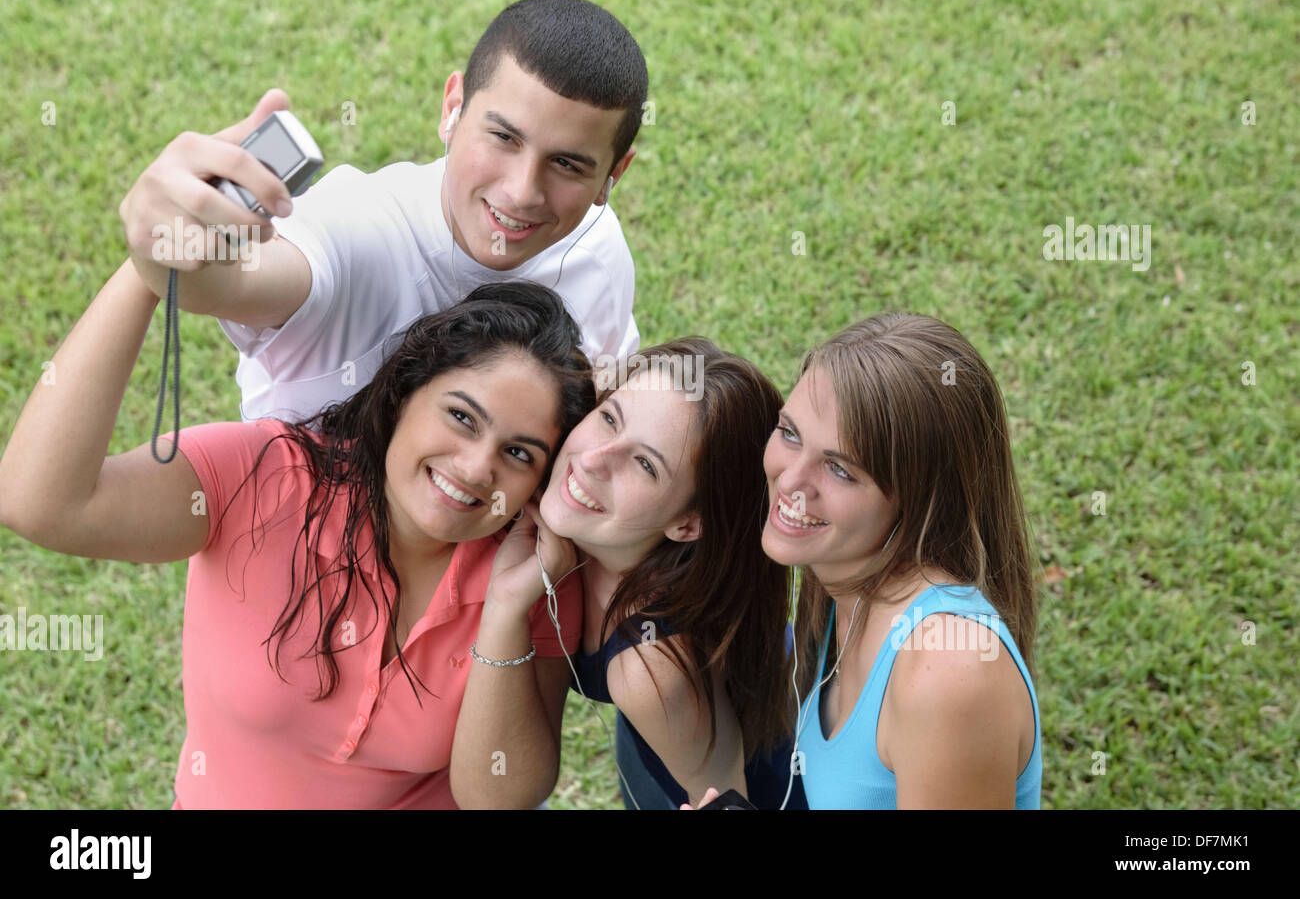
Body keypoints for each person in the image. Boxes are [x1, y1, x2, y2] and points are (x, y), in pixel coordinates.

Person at [0, 268, 595, 809]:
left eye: (518, 453)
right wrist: (146, 276)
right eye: (462, 417)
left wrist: (506, 612)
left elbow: (499, 800)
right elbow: (43, 505)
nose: (474, 467)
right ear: (404, 392)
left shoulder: (533, 575)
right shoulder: (261, 477)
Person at [118, 0, 648, 423]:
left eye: (568, 165)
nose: (521, 191)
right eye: (504, 137)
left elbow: (596, 400)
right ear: (452, 109)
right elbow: (224, 283)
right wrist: (168, 243)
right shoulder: (353, 230)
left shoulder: (598, 253)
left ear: (612, 176)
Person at [758, 313, 1042, 809]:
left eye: (840, 470)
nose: (790, 482)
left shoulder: (947, 671)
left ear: (920, 501)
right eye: (790, 432)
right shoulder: (842, 574)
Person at [537, 339, 807, 809]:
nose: (593, 459)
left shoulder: (651, 669)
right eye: (609, 417)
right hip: (664, 730)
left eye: (645, 464)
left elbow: (723, 793)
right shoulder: (580, 510)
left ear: (688, 524)